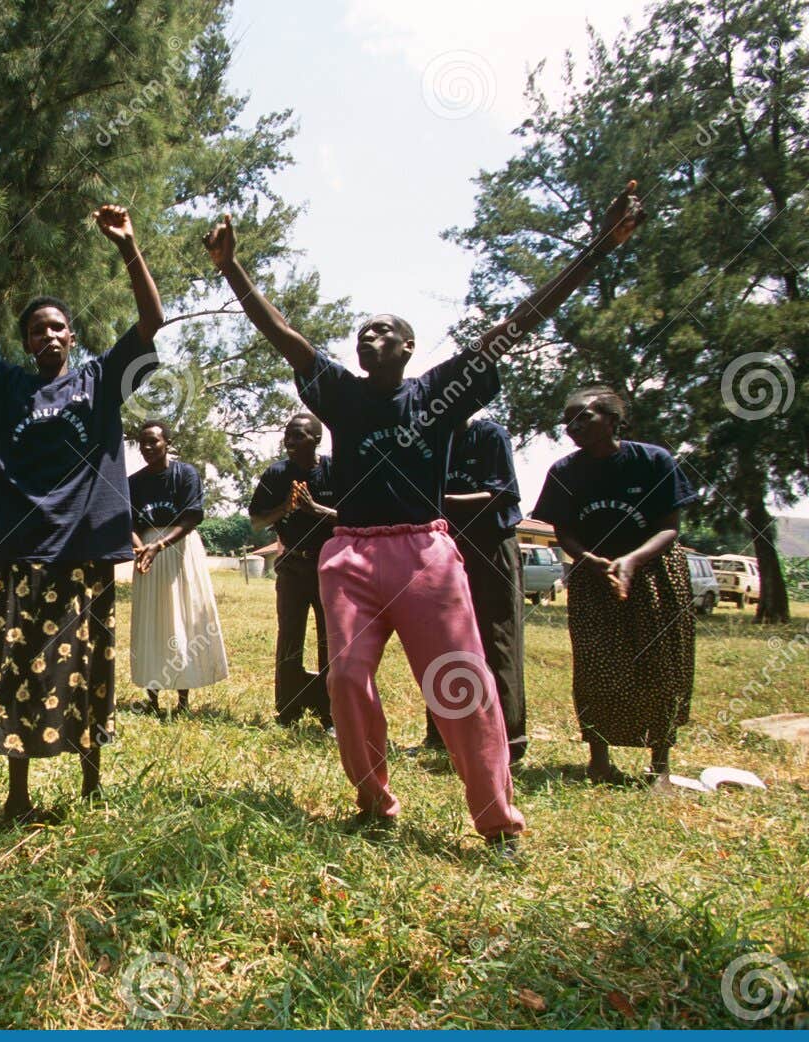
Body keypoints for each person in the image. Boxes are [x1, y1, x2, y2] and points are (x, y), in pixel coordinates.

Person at [202, 181, 646, 852]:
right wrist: (232, 268)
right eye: (362, 333)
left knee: (461, 684)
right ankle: (374, 802)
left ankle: (496, 817)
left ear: (409, 348)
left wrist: (598, 248)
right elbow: (284, 338)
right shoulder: (344, 398)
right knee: (347, 678)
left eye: (385, 331)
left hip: (424, 556)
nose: (370, 338)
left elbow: (519, 321)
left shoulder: (438, 393)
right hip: (350, 554)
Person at [0, 205, 164, 824]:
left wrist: (129, 248)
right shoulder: (3, 384)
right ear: (26, 342)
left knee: (87, 666)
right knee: (15, 672)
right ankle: (17, 795)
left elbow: (150, 321)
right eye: (36, 330)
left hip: (83, 551)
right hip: (20, 549)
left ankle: (91, 785)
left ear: (73, 337)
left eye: (57, 327)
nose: (48, 336)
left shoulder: (100, 381)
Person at [531, 386, 696, 782]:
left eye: (583, 417)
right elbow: (563, 531)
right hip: (594, 576)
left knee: (661, 666)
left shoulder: (653, 461)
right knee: (595, 665)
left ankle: (660, 769)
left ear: (613, 418)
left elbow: (669, 529)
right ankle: (599, 761)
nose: (573, 427)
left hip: (653, 573)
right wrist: (587, 559)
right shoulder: (565, 472)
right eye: (567, 421)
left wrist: (632, 560)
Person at [421, 416, 528, 761]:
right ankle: (441, 735)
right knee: (442, 641)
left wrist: (438, 498)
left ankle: (508, 740)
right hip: (445, 546)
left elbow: (501, 495)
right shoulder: (432, 438)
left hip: (491, 545)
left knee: (497, 640)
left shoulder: (490, 435)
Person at [127, 421, 228, 716]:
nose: (147, 448)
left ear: (167, 443)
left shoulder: (186, 474)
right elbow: (128, 521)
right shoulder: (133, 482)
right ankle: (153, 697)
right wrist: (140, 547)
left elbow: (192, 517)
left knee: (182, 619)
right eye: (143, 443)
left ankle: (183, 699)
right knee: (152, 620)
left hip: (180, 550)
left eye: (153, 442)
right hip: (146, 553)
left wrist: (159, 546)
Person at [249, 413, 338, 728]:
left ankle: (331, 714)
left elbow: (355, 517)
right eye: (287, 435)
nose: (290, 441)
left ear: (317, 438)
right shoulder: (276, 474)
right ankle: (287, 710)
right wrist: (284, 508)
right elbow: (258, 520)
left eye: (298, 435)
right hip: (292, 567)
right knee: (290, 637)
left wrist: (316, 510)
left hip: (329, 566)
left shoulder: (334, 470)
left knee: (331, 640)